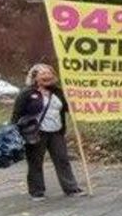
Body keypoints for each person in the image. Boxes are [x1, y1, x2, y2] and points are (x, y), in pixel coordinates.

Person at [11, 64, 84, 200]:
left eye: (50, 73)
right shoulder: (27, 93)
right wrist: (14, 131)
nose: (47, 76)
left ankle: (71, 188)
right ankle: (37, 192)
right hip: (35, 133)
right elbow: (16, 114)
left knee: (62, 160)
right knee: (35, 162)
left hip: (56, 132)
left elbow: (68, 108)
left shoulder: (58, 92)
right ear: (35, 77)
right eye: (43, 73)